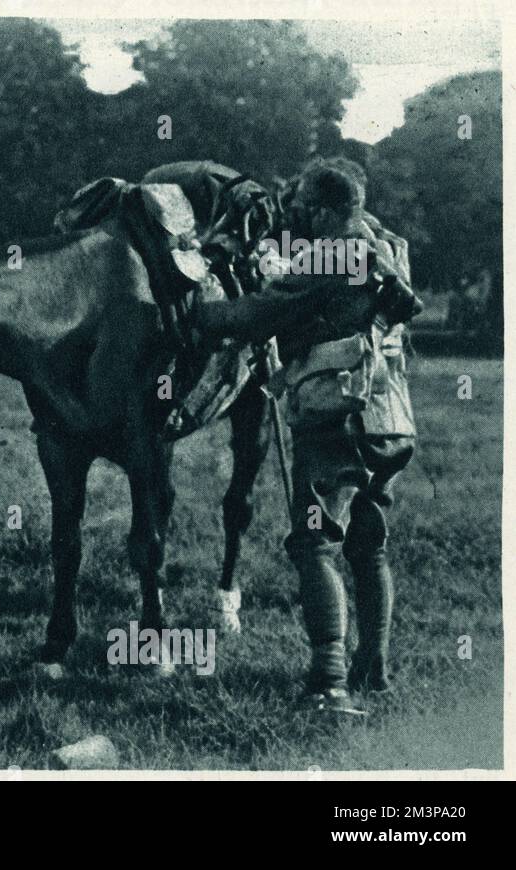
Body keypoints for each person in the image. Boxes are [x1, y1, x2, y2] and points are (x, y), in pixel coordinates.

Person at [193, 158, 422, 715]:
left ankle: (329, 684)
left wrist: (198, 311)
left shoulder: (331, 255)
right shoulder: (387, 246)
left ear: (323, 210)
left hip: (337, 419)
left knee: (314, 544)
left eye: (300, 211)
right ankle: (375, 670)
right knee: (369, 545)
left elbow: (260, 310)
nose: (295, 220)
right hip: (390, 424)